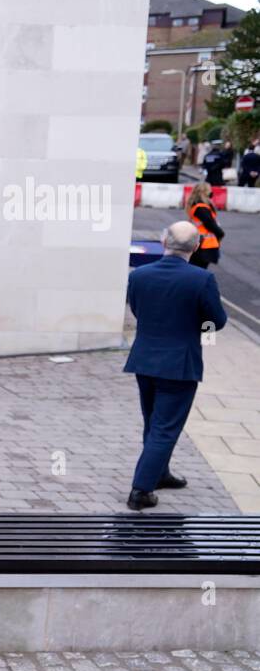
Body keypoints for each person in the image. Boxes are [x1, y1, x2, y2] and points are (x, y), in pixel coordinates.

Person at [124, 221, 228, 511]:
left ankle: (160, 473)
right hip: (179, 364)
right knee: (165, 428)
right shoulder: (200, 279)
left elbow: (137, 309)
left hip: (144, 359)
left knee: (154, 422)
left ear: (163, 241)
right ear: (196, 247)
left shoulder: (140, 275)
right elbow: (216, 321)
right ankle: (141, 490)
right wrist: (199, 327)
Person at [184, 182, 223, 269]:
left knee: (195, 268)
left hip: (199, 242)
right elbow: (209, 223)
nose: (211, 193)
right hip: (204, 244)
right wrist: (220, 233)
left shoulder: (196, 205)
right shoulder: (202, 208)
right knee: (199, 269)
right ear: (205, 192)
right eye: (210, 191)